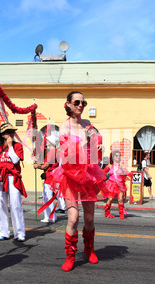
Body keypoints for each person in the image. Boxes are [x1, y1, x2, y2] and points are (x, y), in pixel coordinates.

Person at [48, 91, 108, 271]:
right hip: (70, 176)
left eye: (83, 102)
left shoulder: (88, 124)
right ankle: (70, 255)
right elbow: (67, 156)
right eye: (77, 102)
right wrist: (85, 143)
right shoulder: (64, 127)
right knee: (73, 219)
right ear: (68, 104)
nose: (81, 105)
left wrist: (98, 147)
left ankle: (89, 249)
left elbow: (95, 155)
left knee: (89, 218)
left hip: (88, 175)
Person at [0, 123, 27, 242]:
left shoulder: (17, 146)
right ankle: (2, 232)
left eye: (13, 131)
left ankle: (19, 233)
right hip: (0, 178)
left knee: (15, 204)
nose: (12, 134)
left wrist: (10, 146)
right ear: (3, 135)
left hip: (13, 177)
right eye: (9, 132)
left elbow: (15, 159)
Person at [33, 135, 60, 223]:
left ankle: (50, 216)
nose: (46, 141)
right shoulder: (55, 152)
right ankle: (50, 216)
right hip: (52, 176)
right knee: (48, 196)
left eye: (47, 140)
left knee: (47, 197)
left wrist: (37, 166)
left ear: (51, 142)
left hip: (50, 177)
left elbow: (46, 165)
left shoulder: (52, 152)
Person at [103, 150, 132, 219]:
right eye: (116, 156)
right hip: (111, 185)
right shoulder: (110, 166)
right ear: (113, 157)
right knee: (110, 199)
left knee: (120, 199)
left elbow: (126, 173)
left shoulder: (121, 165)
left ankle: (121, 213)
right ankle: (107, 213)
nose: (118, 157)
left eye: (119, 156)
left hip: (120, 185)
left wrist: (132, 175)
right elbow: (103, 172)